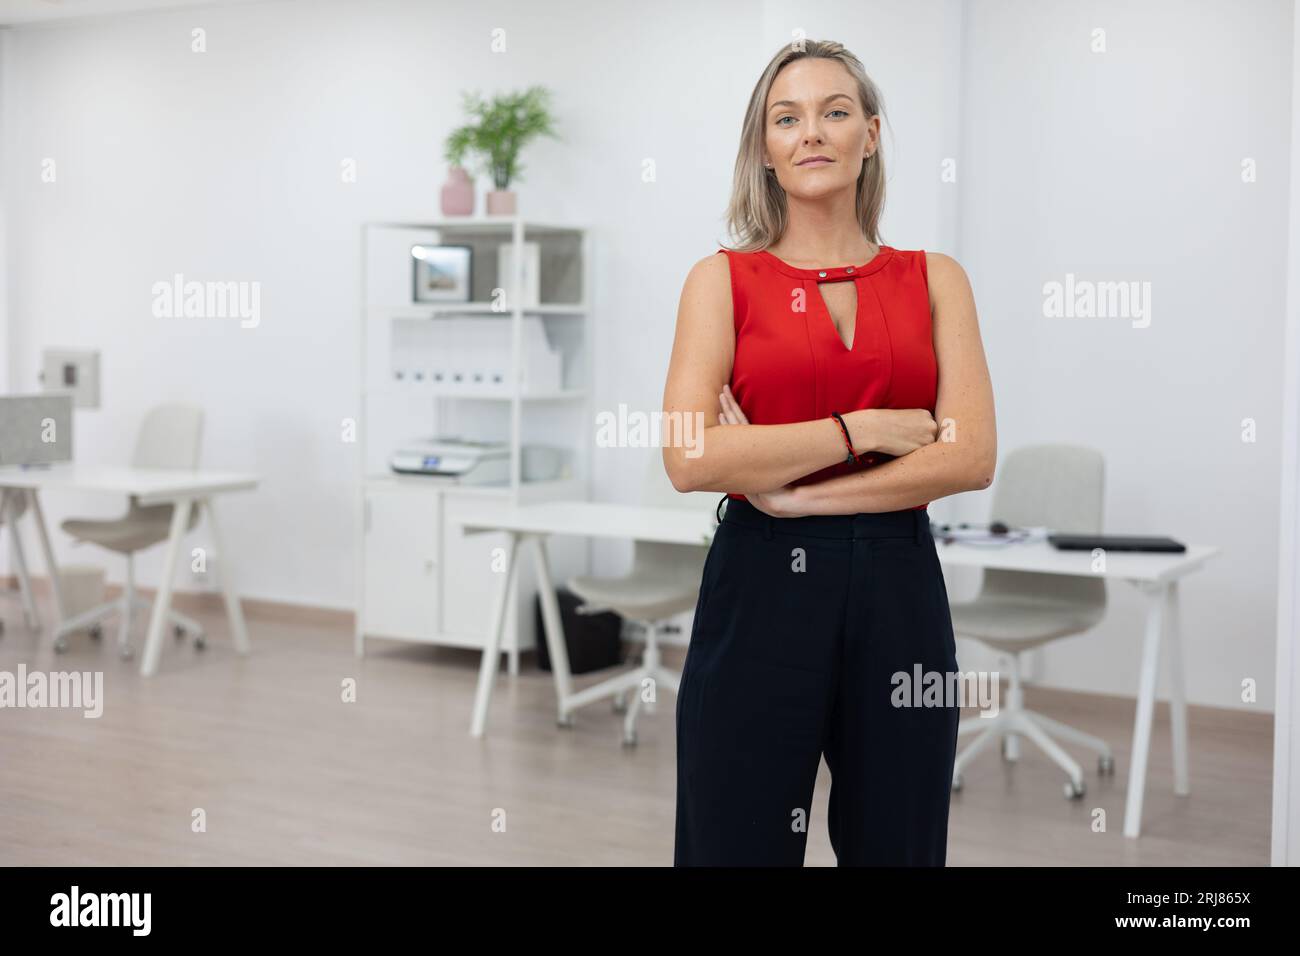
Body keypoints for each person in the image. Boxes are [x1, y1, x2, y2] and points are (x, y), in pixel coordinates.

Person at [661, 38, 997, 866]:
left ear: (870, 134)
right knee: (733, 842)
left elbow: (970, 456)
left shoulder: (935, 278)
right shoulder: (721, 281)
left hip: (899, 591)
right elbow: (688, 456)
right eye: (787, 117)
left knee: (901, 843)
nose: (811, 132)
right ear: (766, 149)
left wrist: (796, 492)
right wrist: (865, 432)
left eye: (835, 111)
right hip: (758, 585)